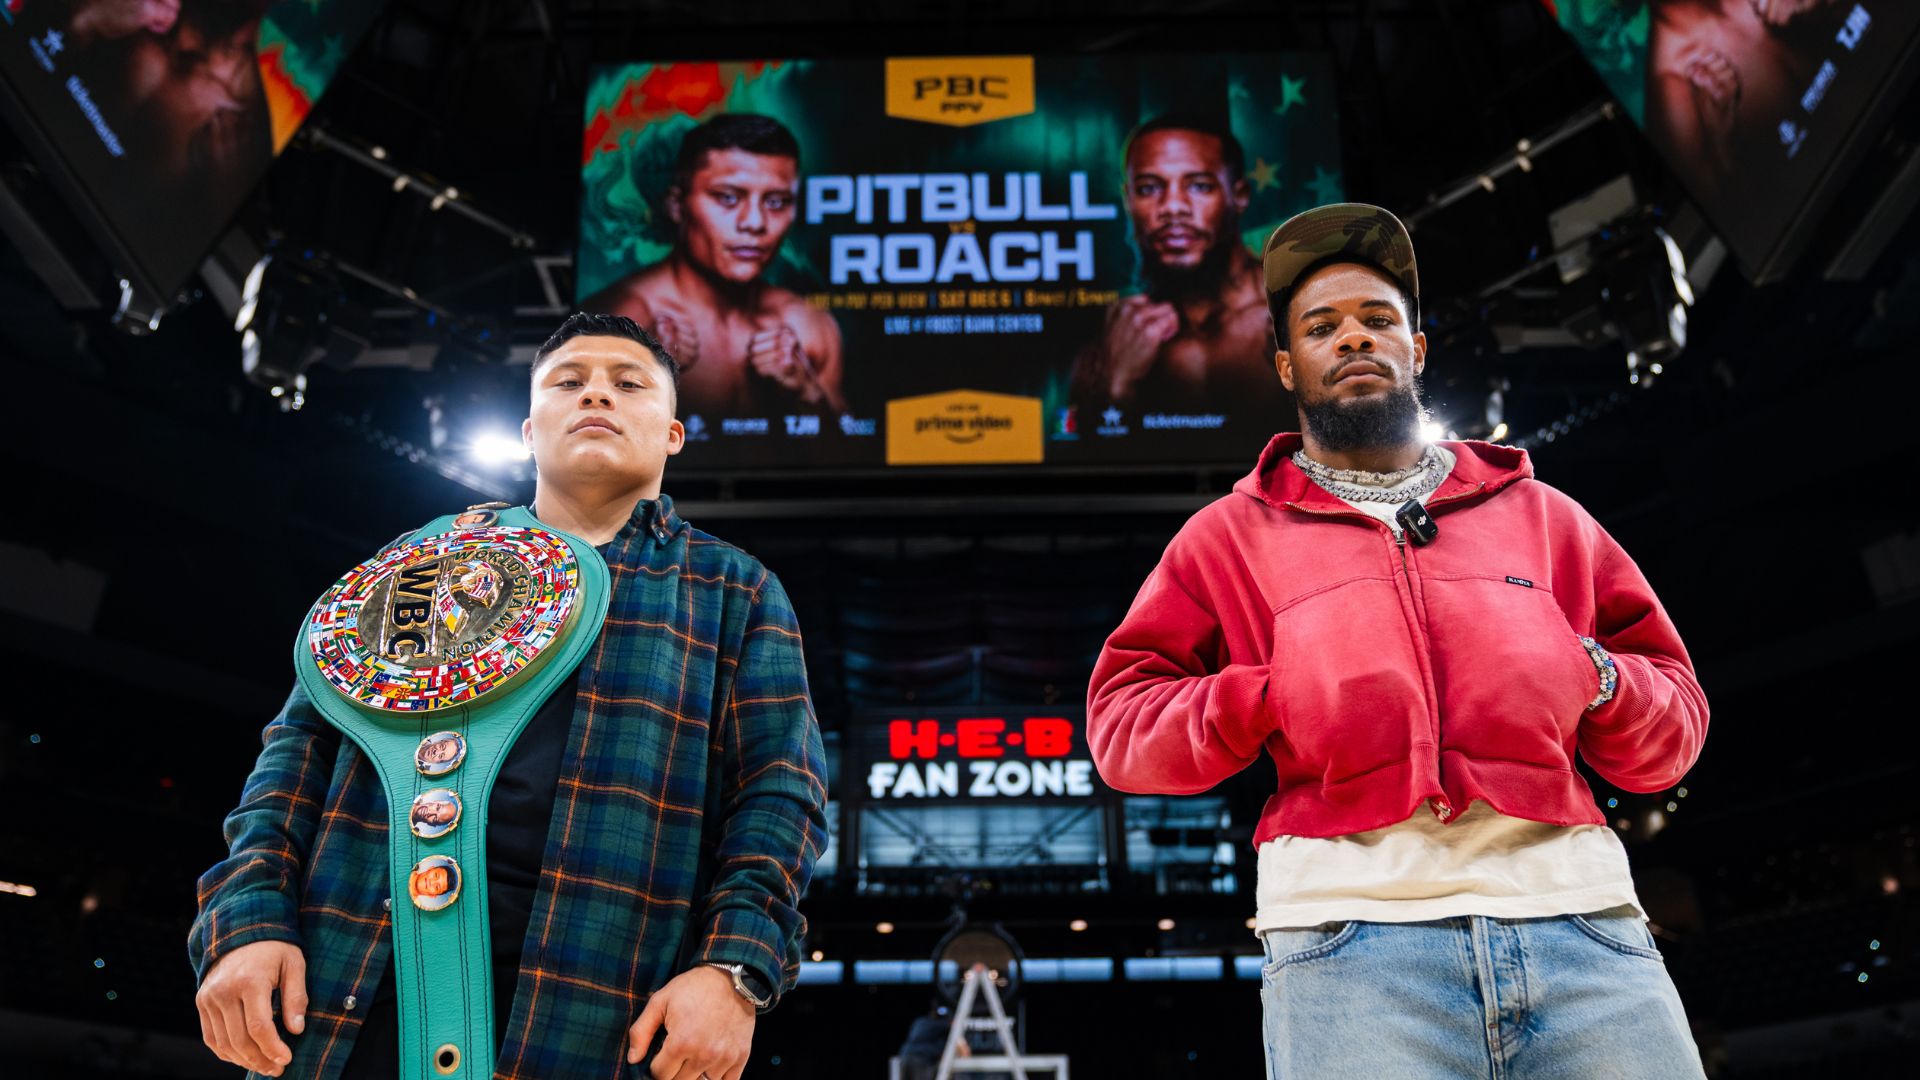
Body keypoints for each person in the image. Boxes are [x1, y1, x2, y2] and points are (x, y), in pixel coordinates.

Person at [1086, 203, 1710, 1077]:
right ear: (1285, 365)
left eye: (1379, 320)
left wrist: (1596, 675)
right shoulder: (1226, 537)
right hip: (1349, 948)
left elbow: (1672, 726)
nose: (1353, 339)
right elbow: (1123, 731)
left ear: (1416, 351)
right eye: (1322, 327)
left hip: (1585, 928)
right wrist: (1269, 691)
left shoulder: (1544, 517)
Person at [190, 312, 828, 1079]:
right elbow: (300, 751)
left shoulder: (735, 591)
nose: (597, 395)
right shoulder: (423, 561)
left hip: (602, 1007)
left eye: (628, 384)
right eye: (569, 382)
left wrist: (733, 971)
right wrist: (247, 919)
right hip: (355, 981)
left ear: (672, 434)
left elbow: (780, 797)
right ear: (530, 429)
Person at [583, 114, 846, 417]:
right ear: (676, 205)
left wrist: (807, 391)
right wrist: (643, 379)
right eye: (728, 198)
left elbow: (852, 455)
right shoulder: (620, 321)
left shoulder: (807, 325)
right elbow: (576, 452)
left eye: (775, 202)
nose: (755, 223)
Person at [1070, 114, 1277, 411]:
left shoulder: (1294, 317)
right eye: (1148, 189)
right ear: (1128, 201)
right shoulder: (1113, 340)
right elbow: (1084, 449)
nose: (1172, 207)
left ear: (1239, 195)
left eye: (1199, 186)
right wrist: (1117, 385)